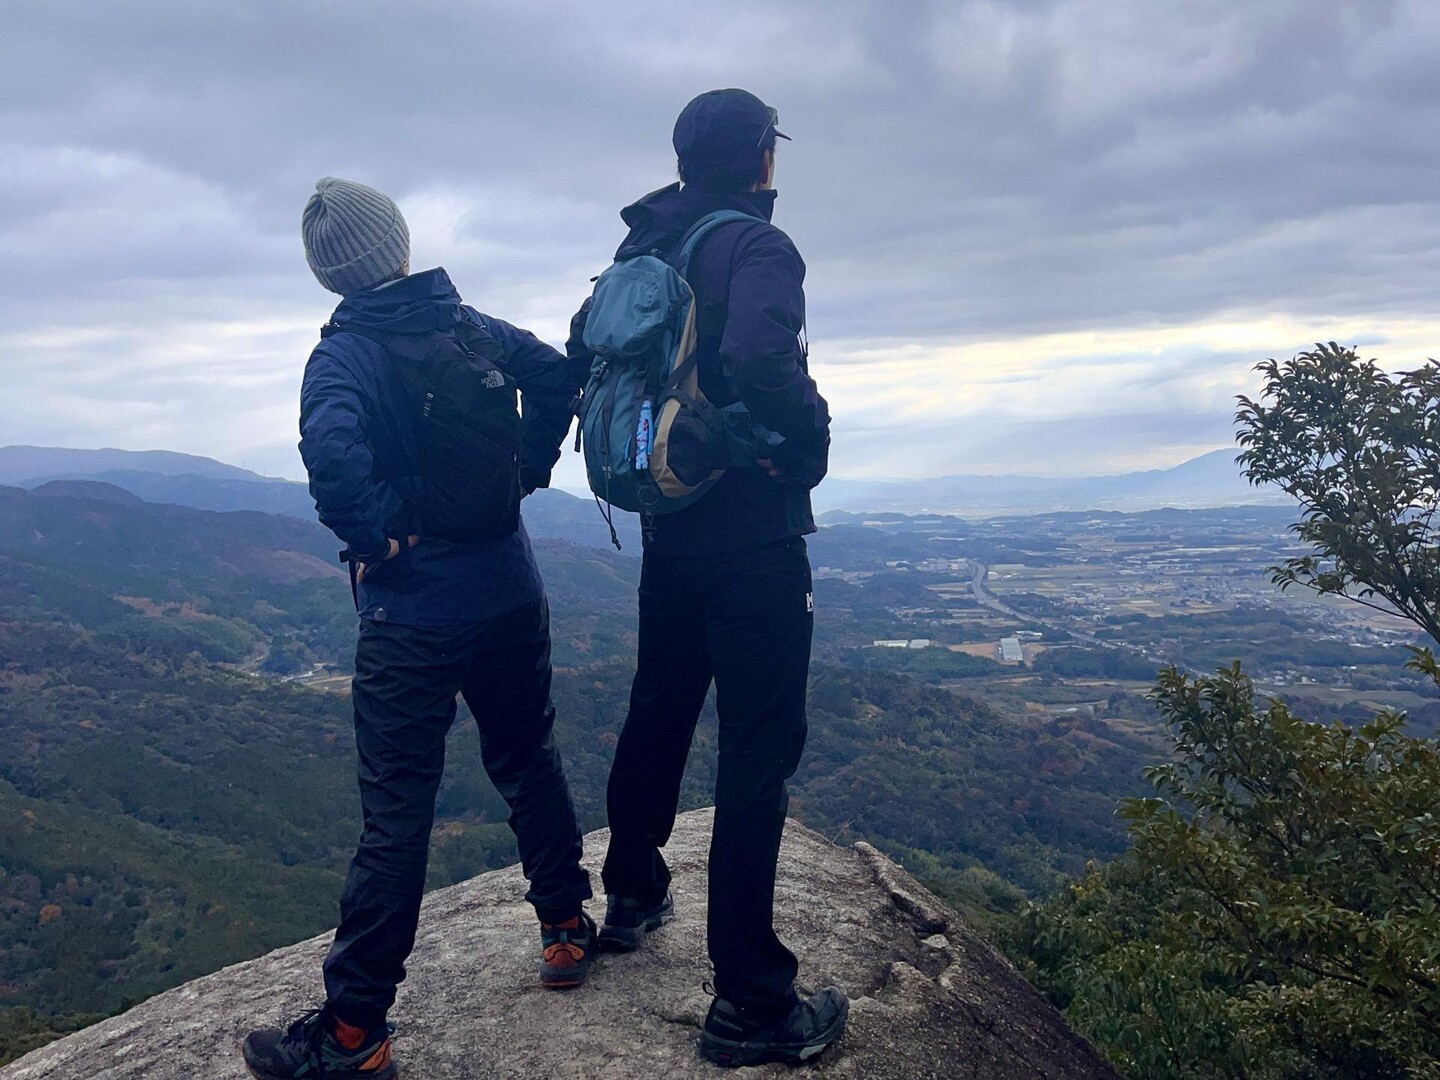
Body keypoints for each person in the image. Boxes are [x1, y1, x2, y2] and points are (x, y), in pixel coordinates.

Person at [243, 178, 594, 1080]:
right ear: (398, 246)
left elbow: (330, 456)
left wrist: (381, 534)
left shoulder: (345, 357)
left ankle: (356, 1031)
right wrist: (528, 471)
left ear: (330, 275)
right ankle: (564, 929)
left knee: (397, 815)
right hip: (510, 588)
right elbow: (558, 374)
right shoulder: (467, 323)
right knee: (529, 758)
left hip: (412, 614)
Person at [573, 90, 848, 1068]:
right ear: (762, 160)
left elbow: (585, 354)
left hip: (668, 527)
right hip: (752, 540)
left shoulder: (643, 252)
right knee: (756, 751)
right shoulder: (758, 249)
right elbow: (761, 357)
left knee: (661, 706)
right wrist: (806, 445)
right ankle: (751, 1005)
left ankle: (635, 891)